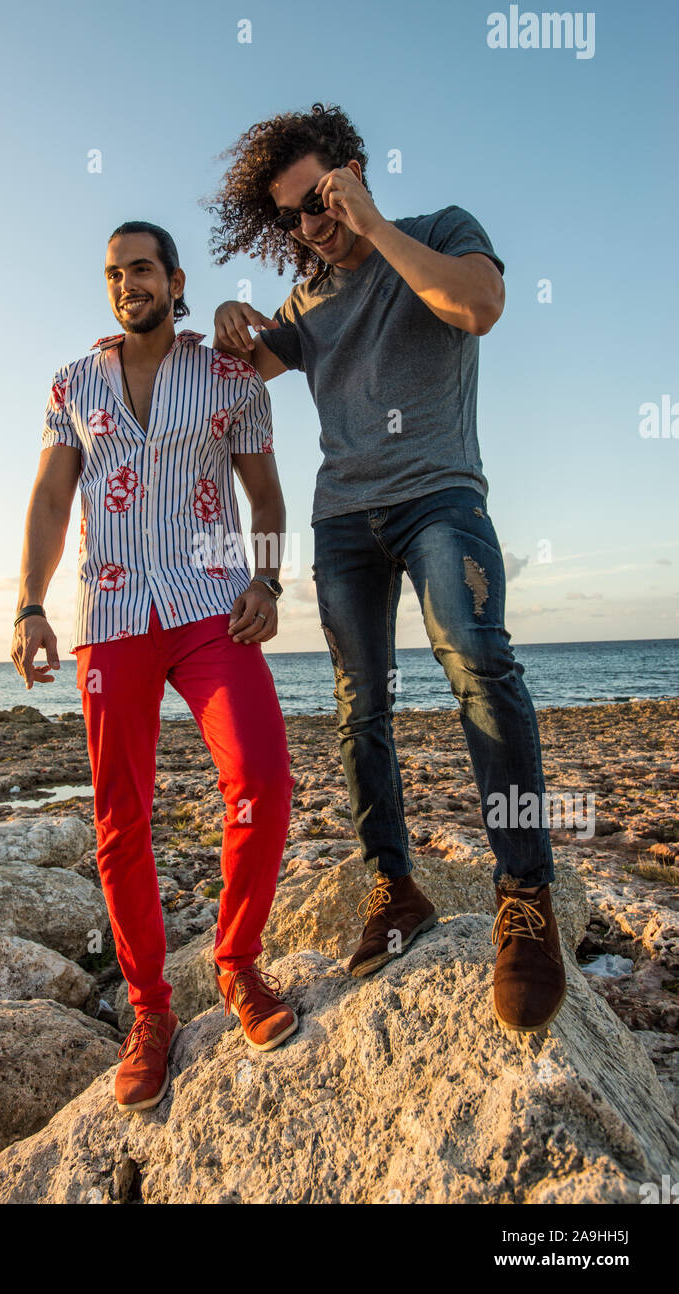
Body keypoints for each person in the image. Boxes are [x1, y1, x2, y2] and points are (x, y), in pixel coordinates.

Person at [207, 105, 565, 1033]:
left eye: (321, 198)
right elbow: (240, 365)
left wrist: (372, 226)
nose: (311, 225)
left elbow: (475, 309)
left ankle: (524, 899)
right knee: (358, 705)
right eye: (292, 215)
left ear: (355, 173)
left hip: (441, 499)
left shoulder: (442, 231)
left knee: (478, 665)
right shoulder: (307, 298)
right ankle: (392, 889)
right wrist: (221, 320)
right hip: (343, 525)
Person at [11, 221, 298, 1113]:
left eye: (140, 269)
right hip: (112, 612)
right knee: (118, 821)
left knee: (262, 778)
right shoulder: (73, 382)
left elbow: (266, 491)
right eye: (112, 273)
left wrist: (268, 577)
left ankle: (238, 964)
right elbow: (54, 495)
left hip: (213, 601)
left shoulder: (228, 376)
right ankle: (150, 1014)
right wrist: (29, 605)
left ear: (174, 280)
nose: (125, 283)